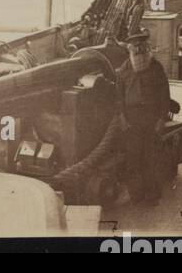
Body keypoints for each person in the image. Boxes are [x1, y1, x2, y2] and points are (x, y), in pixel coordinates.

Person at [46, 32, 172, 204]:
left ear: (147, 49)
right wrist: (122, 119)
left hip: (150, 118)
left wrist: (161, 119)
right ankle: (137, 195)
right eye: (135, 48)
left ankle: (151, 196)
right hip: (131, 119)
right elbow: (118, 97)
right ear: (130, 50)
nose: (139, 52)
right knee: (134, 159)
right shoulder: (125, 69)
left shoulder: (156, 68)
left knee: (150, 158)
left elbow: (165, 94)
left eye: (142, 48)